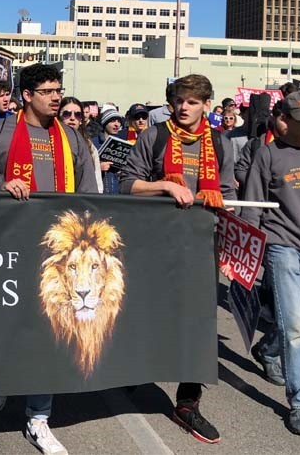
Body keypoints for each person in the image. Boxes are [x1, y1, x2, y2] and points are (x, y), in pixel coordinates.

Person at [0, 63, 97, 455]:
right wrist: (1, 185)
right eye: (49, 90)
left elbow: (88, 195)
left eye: (59, 89)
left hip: (57, 256)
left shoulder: (72, 139)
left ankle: (39, 417)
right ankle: (0, 377)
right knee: (4, 323)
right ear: (27, 96)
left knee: (48, 333)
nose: (57, 97)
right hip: (6, 250)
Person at [119, 74, 235, 445]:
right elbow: (127, 183)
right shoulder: (154, 137)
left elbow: (230, 191)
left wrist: (222, 209)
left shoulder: (219, 142)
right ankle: (136, 370)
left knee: (197, 322)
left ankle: (188, 403)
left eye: (193, 102)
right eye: (179, 100)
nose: (185, 107)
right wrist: (166, 186)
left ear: (206, 106)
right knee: (149, 311)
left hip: (202, 243)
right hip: (155, 242)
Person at [242, 91, 300, 437]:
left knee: (299, 321)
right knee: (298, 330)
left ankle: (267, 349)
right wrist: (245, 256)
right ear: (288, 120)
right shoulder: (267, 154)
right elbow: (251, 205)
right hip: (281, 248)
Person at [59, 97, 103, 192]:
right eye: (67, 114)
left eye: (78, 115)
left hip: (80, 199)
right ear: (59, 116)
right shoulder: (52, 139)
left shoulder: (89, 145)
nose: (72, 118)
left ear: (81, 120)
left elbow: (97, 179)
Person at [94, 107, 125, 195]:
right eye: (113, 121)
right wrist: (98, 168)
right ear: (105, 123)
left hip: (117, 192)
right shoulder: (93, 143)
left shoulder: (122, 143)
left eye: (119, 121)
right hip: (99, 192)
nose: (117, 124)